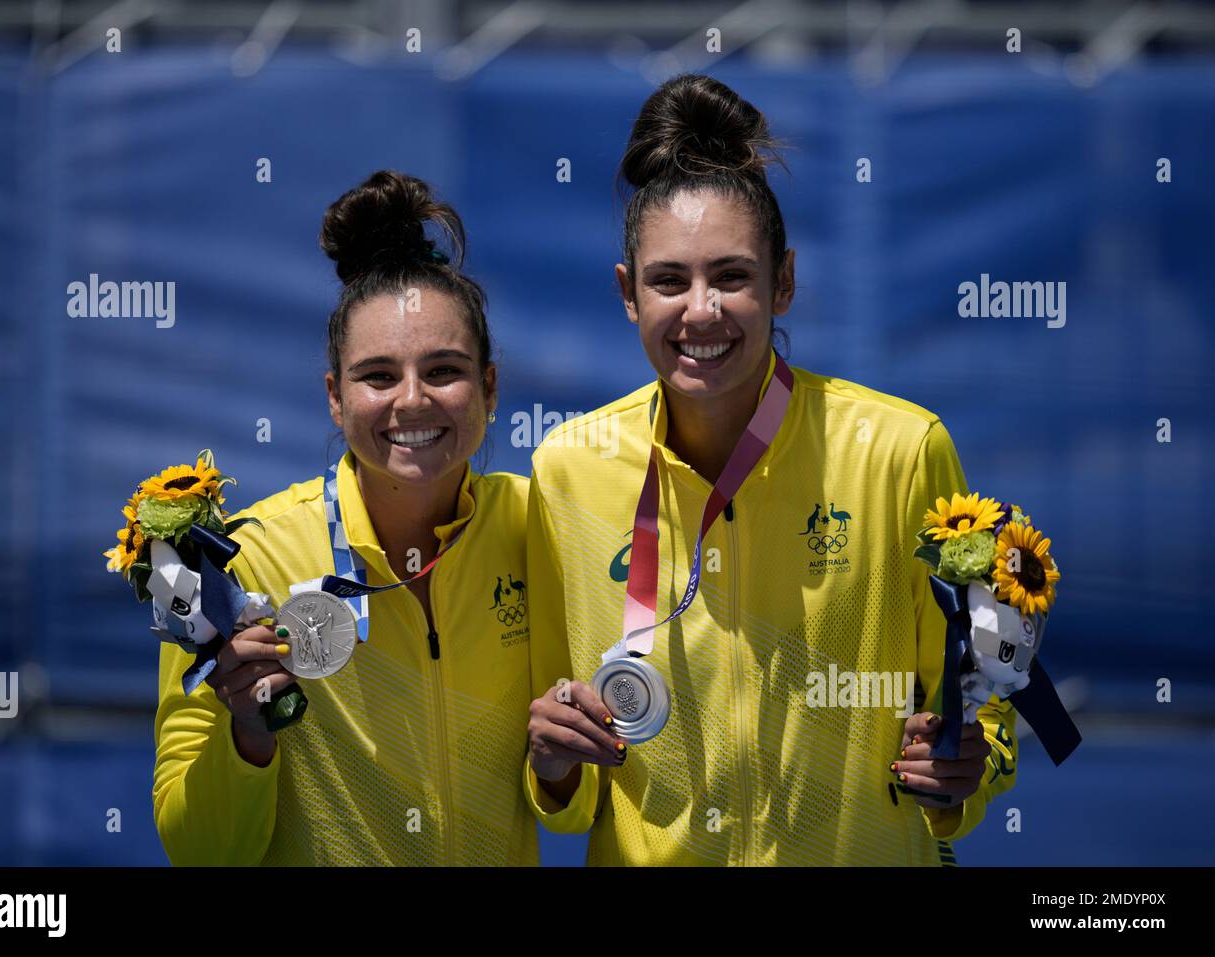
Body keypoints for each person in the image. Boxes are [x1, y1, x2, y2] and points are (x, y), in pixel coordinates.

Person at [523, 75, 1017, 865]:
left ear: (782, 280)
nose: (701, 309)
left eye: (732, 276)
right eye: (668, 281)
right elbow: (565, 765)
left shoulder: (899, 449)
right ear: (627, 294)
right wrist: (551, 764)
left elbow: (984, 683)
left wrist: (968, 765)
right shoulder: (566, 470)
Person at [153, 170, 537, 865]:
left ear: (490, 386)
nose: (412, 401)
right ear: (335, 396)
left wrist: (566, 764)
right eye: (379, 376)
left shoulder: (536, 528)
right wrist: (248, 733)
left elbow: (570, 792)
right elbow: (198, 851)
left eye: (444, 370)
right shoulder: (241, 561)